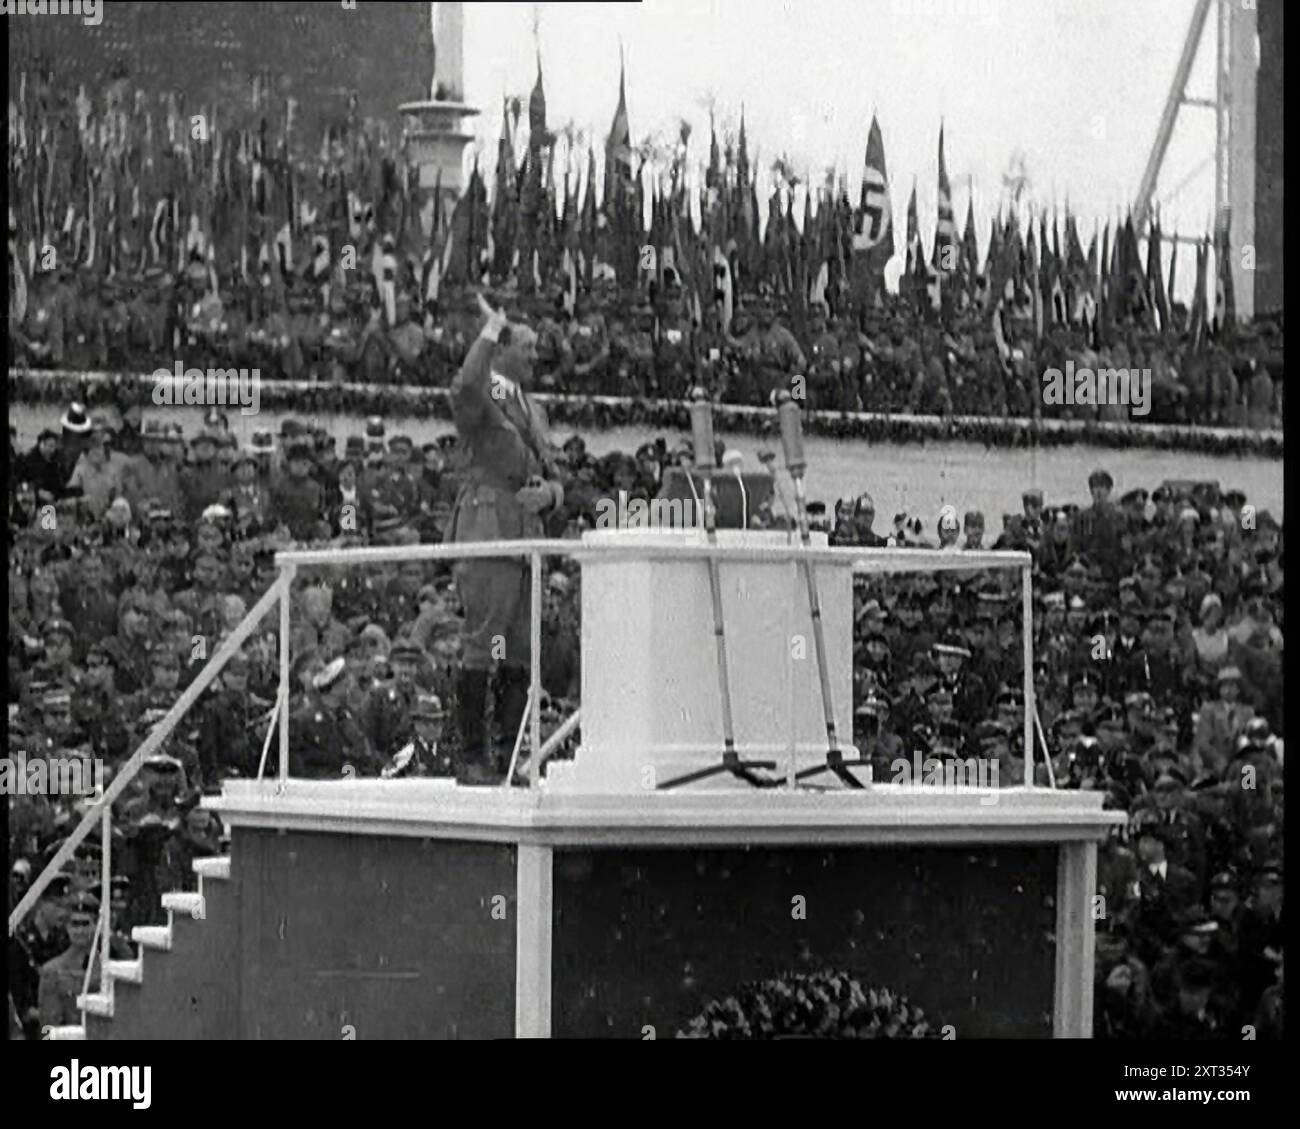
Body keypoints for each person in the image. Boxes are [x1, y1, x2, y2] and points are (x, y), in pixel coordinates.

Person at [445, 293, 564, 784]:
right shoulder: (486, 392)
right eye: (528, 346)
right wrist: (489, 330)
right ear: (503, 350)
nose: (537, 355)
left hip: (523, 536)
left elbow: (556, 473)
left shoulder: (531, 408)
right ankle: (472, 757)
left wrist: (552, 496)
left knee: (517, 650)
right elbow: (462, 387)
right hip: (490, 529)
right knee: (484, 644)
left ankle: (510, 755)